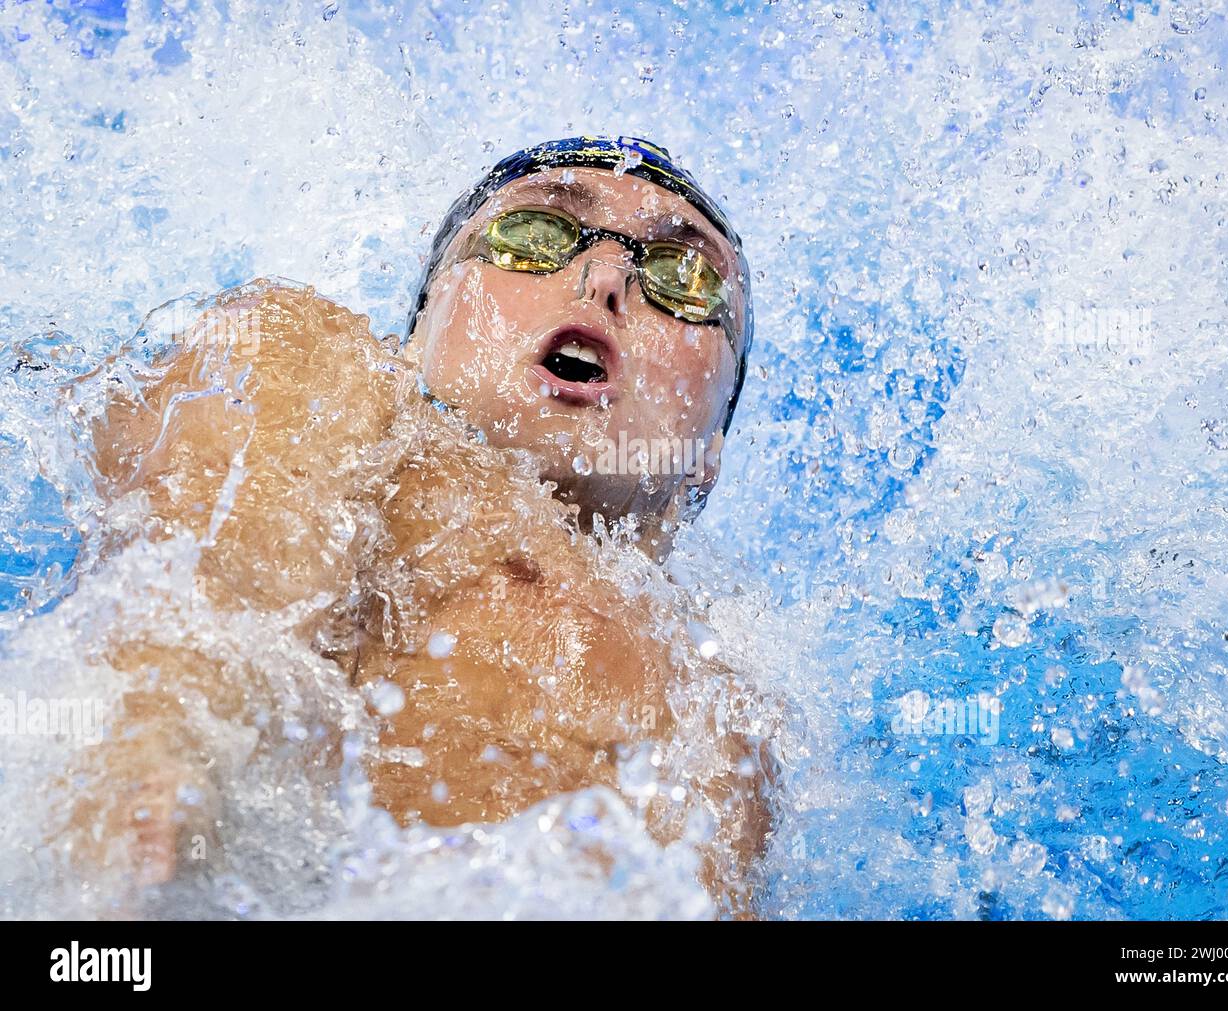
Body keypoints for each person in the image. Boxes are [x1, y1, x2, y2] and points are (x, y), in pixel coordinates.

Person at [61, 136, 771, 914]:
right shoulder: (314, 366)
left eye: (682, 277)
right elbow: (205, 604)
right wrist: (163, 761)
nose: (604, 279)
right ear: (418, 334)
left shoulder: (730, 710)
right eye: (534, 233)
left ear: (710, 453)